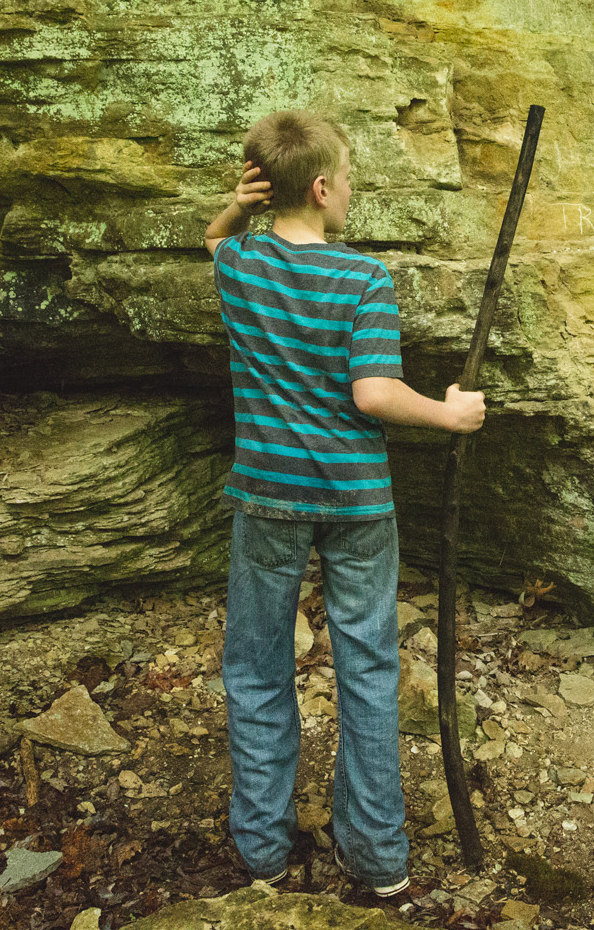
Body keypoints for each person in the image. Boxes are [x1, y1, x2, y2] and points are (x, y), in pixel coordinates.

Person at [205, 111, 485, 895]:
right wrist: (448, 413)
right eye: (350, 178)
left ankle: (262, 850)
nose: (352, 191)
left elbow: (213, 239)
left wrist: (237, 206)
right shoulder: (364, 278)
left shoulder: (241, 266)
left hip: (268, 496)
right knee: (366, 665)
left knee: (256, 665)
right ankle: (378, 857)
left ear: (267, 186)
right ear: (323, 187)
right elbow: (372, 392)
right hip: (356, 500)